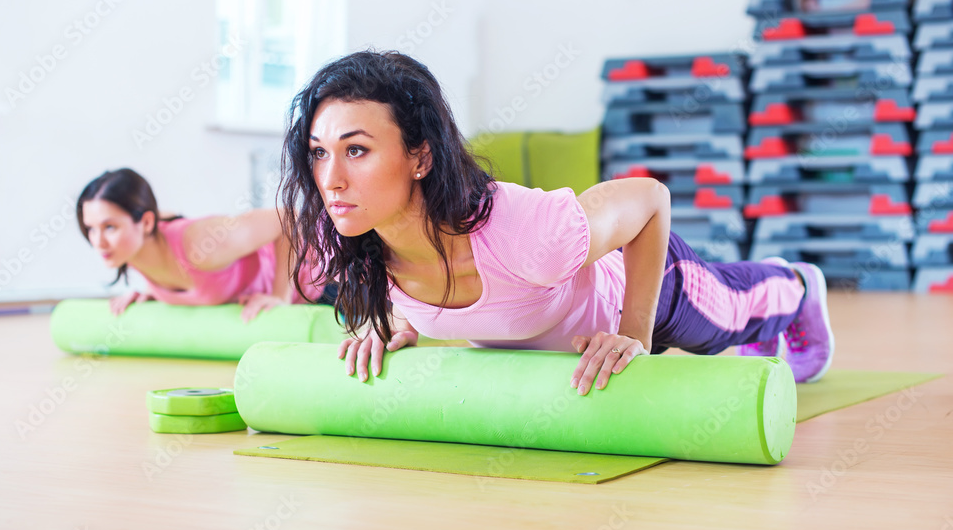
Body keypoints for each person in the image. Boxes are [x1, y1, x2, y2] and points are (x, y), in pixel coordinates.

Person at [280, 51, 834, 394]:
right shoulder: (349, 241)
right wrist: (393, 321)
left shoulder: (525, 233)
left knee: (729, 321)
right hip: (575, 334)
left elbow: (649, 198)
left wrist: (633, 334)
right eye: (319, 152)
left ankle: (799, 285)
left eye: (356, 151)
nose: (330, 178)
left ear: (420, 158)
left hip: (648, 287)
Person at [77, 168, 329, 322]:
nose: (97, 242)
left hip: (325, 280)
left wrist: (280, 296)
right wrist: (155, 292)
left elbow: (290, 218)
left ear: (145, 222)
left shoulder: (199, 243)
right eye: (90, 228)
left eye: (109, 227)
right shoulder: (131, 249)